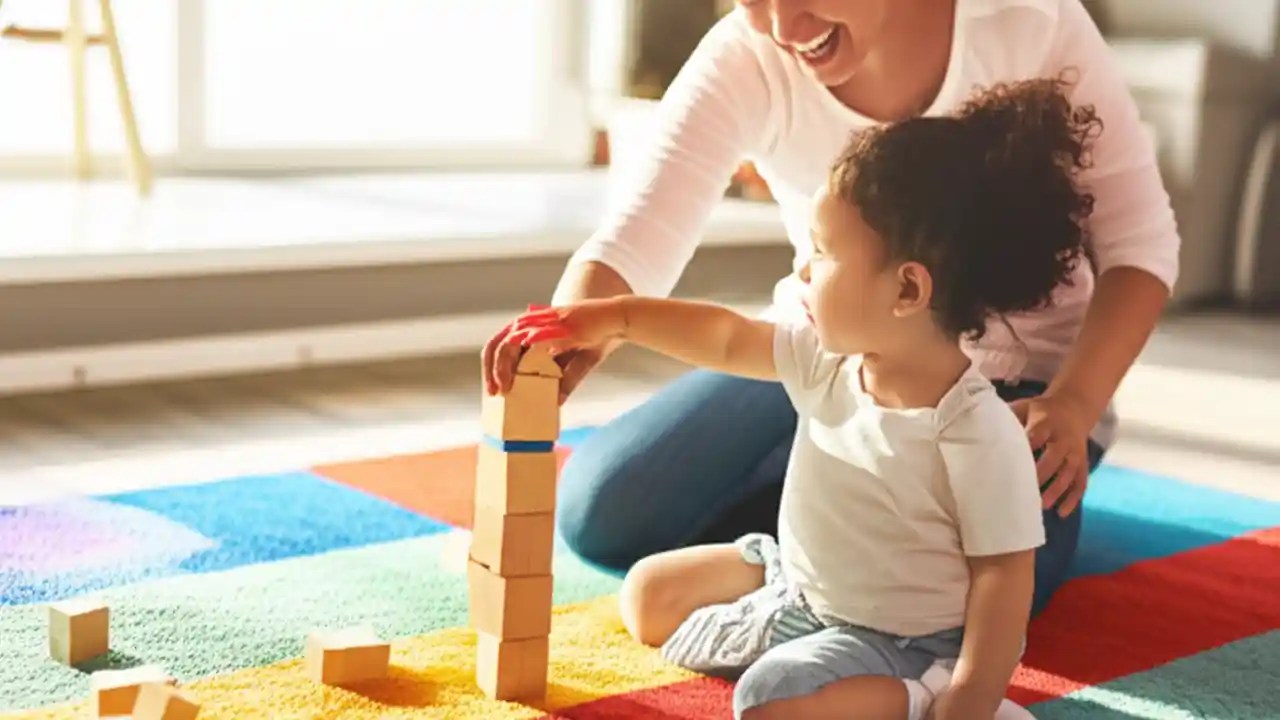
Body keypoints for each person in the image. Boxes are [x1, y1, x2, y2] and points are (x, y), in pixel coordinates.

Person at [482, 0, 1180, 616]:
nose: (786, 27)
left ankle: (842, 527)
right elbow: (635, 242)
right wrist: (566, 334)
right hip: (833, 357)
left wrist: (1076, 402)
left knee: (979, 590)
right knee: (602, 511)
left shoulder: (1028, 21)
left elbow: (1141, 248)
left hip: (1022, 392)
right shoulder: (746, 56)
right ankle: (816, 538)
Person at [498, 77, 1093, 720]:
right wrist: (613, 316)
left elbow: (1004, 578)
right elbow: (725, 337)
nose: (802, 271)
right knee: (646, 594)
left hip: (905, 640)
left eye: (822, 252)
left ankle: (922, 697)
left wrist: (972, 695)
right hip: (801, 588)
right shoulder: (825, 360)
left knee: (769, 697)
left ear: (907, 291)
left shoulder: (976, 432)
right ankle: (799, 626)